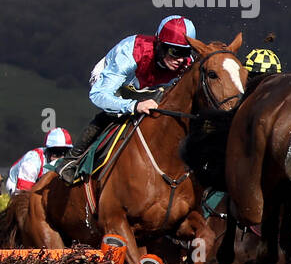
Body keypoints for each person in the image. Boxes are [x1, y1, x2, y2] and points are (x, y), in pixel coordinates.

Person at [57, 15, 198, 183]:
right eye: (175, 52)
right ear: (160, 44)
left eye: (186, 52)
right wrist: (134, 106)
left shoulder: (187, 63)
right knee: (116, 114)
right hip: (114, 83)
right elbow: (98, 95)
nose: (181, 59)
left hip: (149, 88)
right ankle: (71, 160)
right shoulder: (130, 53)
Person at [7, 128, 73, 194]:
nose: (61, 157)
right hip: (18, 186)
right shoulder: (32, 163)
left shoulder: (70, 161)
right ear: (48, 151)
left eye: (65, 152)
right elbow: (22, 194)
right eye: (56, 152)